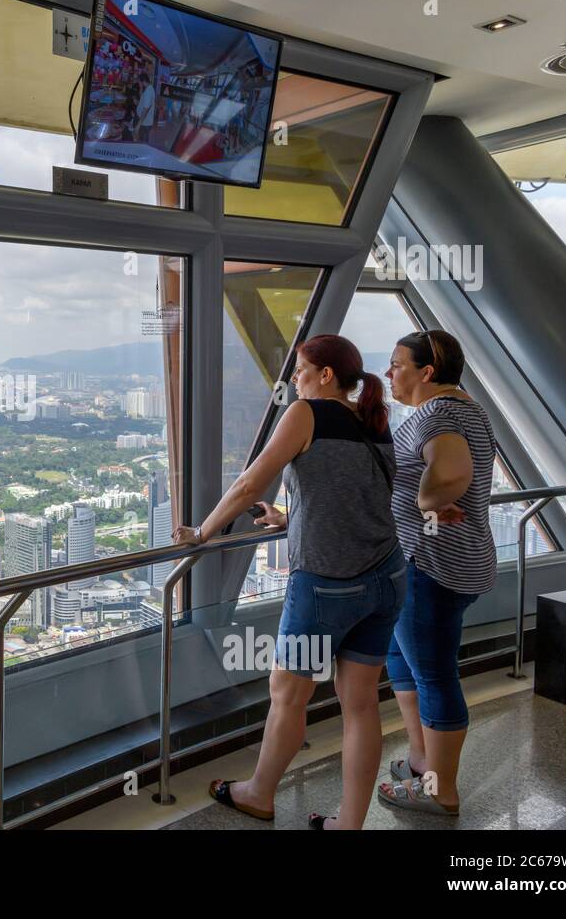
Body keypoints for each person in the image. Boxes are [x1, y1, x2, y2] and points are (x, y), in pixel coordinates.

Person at [176, 334, 405, 829]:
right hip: (387, 577)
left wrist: (201, 532)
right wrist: (290, 517)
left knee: (288, 695)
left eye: (300, 372)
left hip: (325, 587)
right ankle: (349, 824)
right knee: (361, 706)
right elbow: (354, 495)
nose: (293, 382)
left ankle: (259, 794)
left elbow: (247, 484)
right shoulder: (374, 419)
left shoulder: (306, 414)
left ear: (324, 375)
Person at [377, 330, 497, 817]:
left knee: (433, 675)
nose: (389, 373)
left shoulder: (439, 412)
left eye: (397, 364)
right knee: (400, 660)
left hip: (433, 565)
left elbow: (448, 472)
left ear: (427, 373)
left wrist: (430, 498)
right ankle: (423, 761)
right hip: (443, 559)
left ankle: (439, 790)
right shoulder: (465, 408)